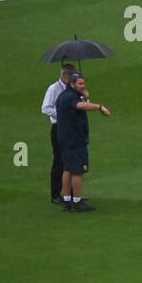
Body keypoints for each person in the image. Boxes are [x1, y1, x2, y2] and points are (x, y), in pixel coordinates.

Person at [54, 71, 112, 213]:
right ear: (71, 83)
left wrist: (85, 96)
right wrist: (99, 107)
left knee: (67, 169)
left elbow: (79, 104)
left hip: (65, 138)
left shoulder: (64, 95)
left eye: (83, 83)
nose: (83, 85)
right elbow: (79, 106)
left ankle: (67, 200)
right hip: (75, 139)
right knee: (78, 171)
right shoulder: (71, 97)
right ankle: (77, 202)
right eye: (80, 83)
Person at [40, 63, 77, 205]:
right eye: (71, 75)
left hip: (72, 128)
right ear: (64, 75)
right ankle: (55, 194)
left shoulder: (73, 88)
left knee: (73, 159)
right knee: (59, 161)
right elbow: (45, 108)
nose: (73, 78)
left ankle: (74, 193)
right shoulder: (53, 89)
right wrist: (61, 115)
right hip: (59, 128)